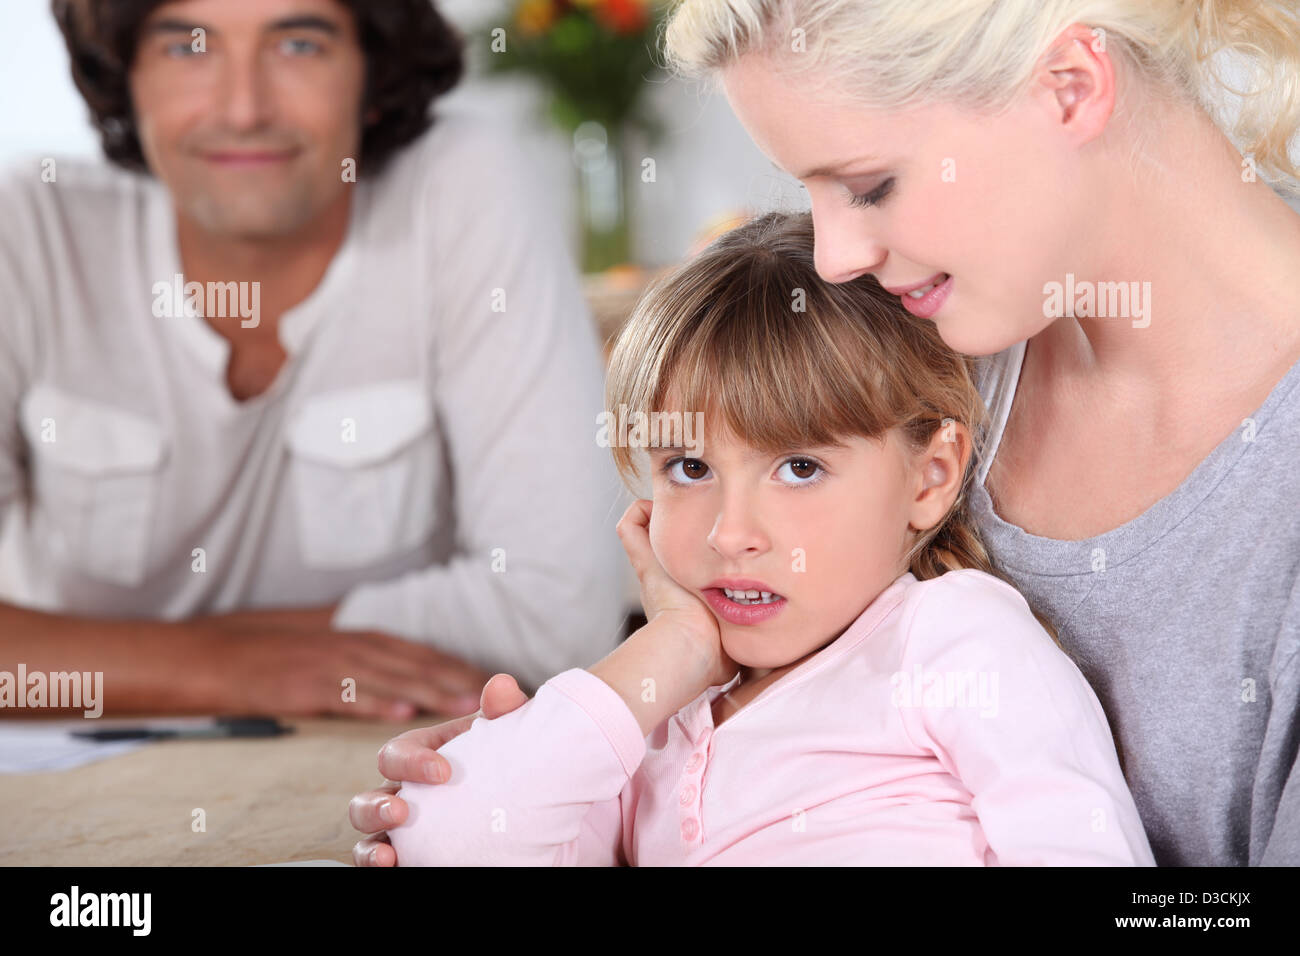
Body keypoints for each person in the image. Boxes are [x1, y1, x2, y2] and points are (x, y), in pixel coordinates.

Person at [352, 0, 1299, 866]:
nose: (836, 256)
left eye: (871, 185)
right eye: (810, 190)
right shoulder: (904, 342)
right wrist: (556, 750)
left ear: (1071, 88)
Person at [370, 210, 1153, 865]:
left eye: (801, 468)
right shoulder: (658, 715)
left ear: (930, 477)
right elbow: (442, 845)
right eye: (688, 468)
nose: (731, 533)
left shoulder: (955, 642)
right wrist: (664, 657)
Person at [0, 0, 625, 718]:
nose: (244, 110)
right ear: (125, 74)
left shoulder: (461, 186)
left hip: (371, 769)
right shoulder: (30, 228)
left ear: (373, 72)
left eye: (298, 45)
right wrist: (222, 669)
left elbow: (558, 616)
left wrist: (88, 654)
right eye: (188, 48)